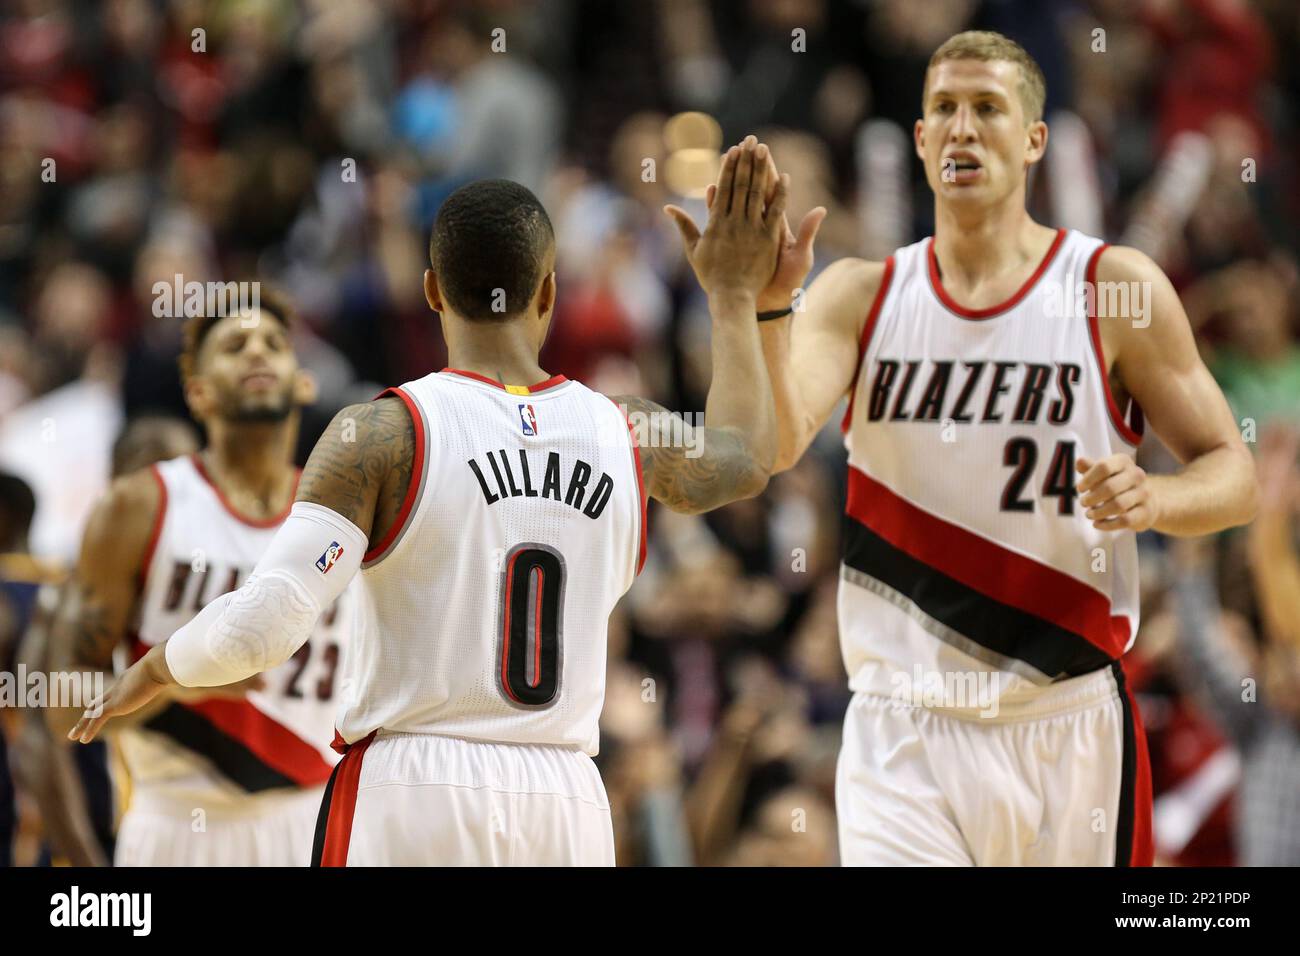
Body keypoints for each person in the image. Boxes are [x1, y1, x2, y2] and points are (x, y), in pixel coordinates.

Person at [71, 137, 786, 867]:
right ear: (548, 292)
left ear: (432, 291)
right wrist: (733, 296)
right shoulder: (627, 430)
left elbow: (262, 628)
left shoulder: (382, 432)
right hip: (567, 798)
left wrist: (159, 667)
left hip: (416, 792)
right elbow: (748, 455)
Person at [753, 31, 1257, 865]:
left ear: (1034, 140)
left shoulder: (1114, 290)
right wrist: (760, 308)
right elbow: (769, 447)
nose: (962, 129)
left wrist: (1157, 498)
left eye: (987, 109)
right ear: (918, 142)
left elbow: (1232, 474)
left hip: (1065, 719)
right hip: (901, 724)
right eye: (943, 110)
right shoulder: (857, 296)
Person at [49, 291, 358, 866]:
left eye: (273, 344)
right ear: (198, 392)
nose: (257, 354)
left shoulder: (345, 513)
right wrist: (187, 680)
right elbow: (66, 706)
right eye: (235, 346)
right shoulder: (138, 506)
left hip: (316, 818)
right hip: (177, 824)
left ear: (305, 382)